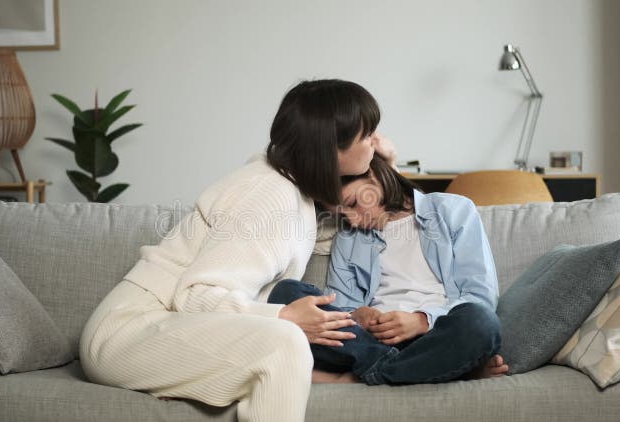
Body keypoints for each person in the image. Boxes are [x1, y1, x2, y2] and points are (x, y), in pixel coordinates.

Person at [79, 79, 395, 422]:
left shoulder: (291, 190)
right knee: (284, 342)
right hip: (128, 333)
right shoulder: (269, 195)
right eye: (368, 134)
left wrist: (385, 169)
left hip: (161, 325)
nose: (375, 142)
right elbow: (195, 296)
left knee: (287, 346)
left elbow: (322, 236)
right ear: (330, 147)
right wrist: (284, 316)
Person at [268, 155, 508, 385]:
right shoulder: (350, 237)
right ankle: (437, 370)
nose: (354, 220)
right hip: (369, 343)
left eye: (353, 203)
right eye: (342, 215)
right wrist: (358, 315)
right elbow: (339, 312)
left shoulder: (453, 210)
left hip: (435, 336)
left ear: (374, 174)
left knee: (481, 323)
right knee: (285, 293)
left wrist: (422, 320)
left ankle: (371, 374)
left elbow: (481, 297)